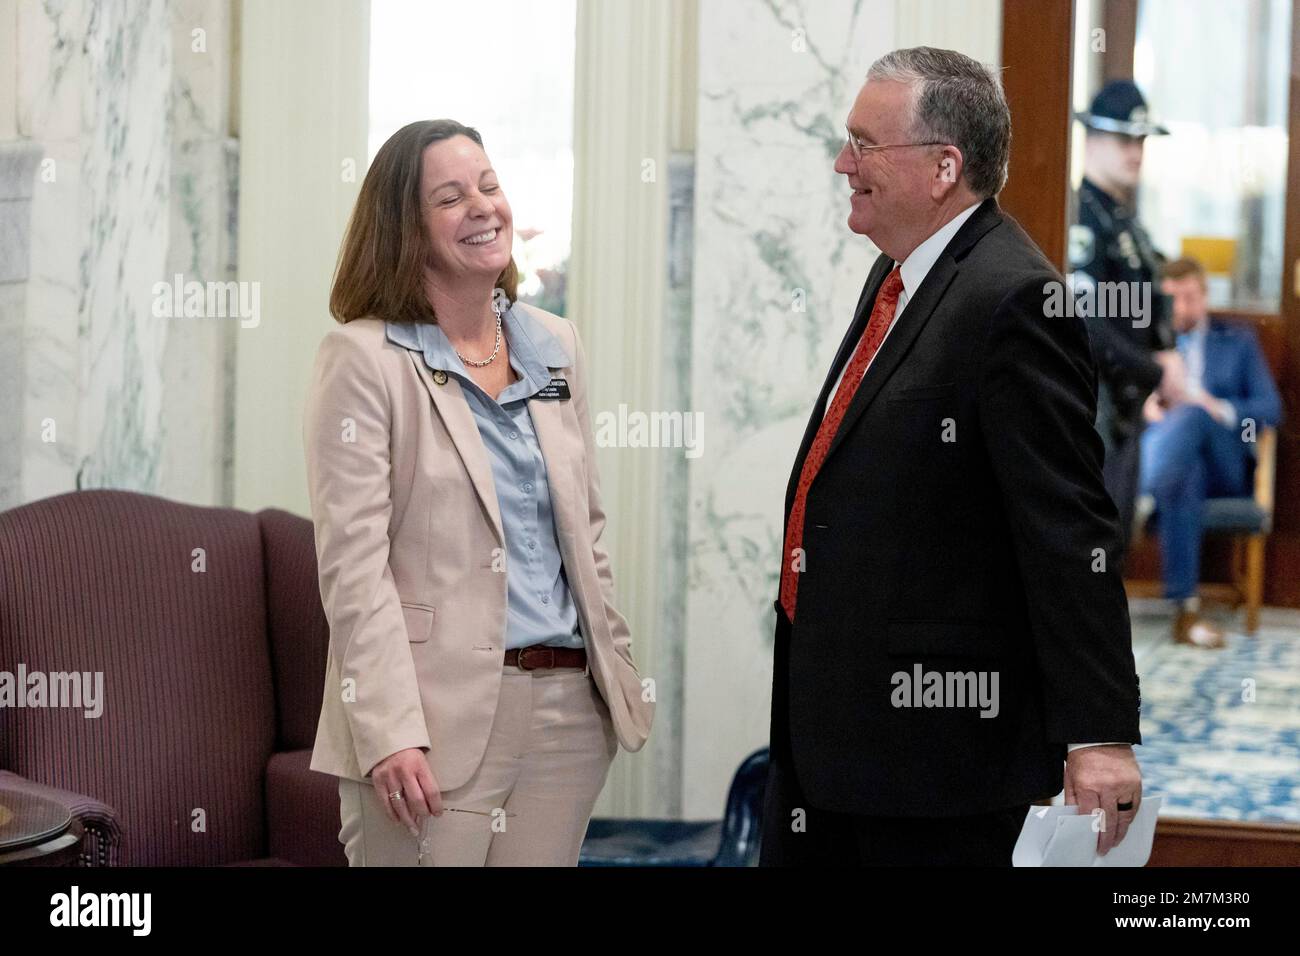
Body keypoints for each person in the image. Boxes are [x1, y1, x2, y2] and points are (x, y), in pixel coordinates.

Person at [761, 47, 1143, 867]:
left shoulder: (1014, 299)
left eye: (864, 144)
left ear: (944, 167)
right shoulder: (899, 275)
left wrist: (1099, 734)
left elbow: (1069, 529)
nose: (842, 162)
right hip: (838, 740)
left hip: (934, 763)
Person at [303, 119, 652, 866]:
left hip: (565, 716)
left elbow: (584, 531)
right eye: (452, 197)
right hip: (430, 720)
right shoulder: (363, 358)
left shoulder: (554, 343)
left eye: (490, 186)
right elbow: (353, 569)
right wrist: (389, 728)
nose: (484, 206)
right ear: (405, 228)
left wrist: (613, 668)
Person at [1140, 257, 1283, 648]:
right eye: (1173, 301)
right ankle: (1185, 612)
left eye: (1189, 298)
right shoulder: (1146, 344)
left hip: (1227, 460)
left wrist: (1215, 408)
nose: (1182, 309)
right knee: (1184, 475)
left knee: (1193, 416)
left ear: (1204, 296)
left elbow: (1270, 408)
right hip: (1177, 460)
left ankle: (1139, 491)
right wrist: (1146, 409)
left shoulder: (1237, 340)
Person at [1070, 79, 1178, 560]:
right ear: (1092, 139)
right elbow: (1083, 319)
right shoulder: (1083, 217)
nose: (1136, 152)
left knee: (1115, 541)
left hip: (1127, 402)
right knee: (1095, 544)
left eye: (1141, 141)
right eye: (1123, 140)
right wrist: (1156, 370)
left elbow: (1149, 301)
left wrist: (1164, 353)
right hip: (1097, 398)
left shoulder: (1123, 219)